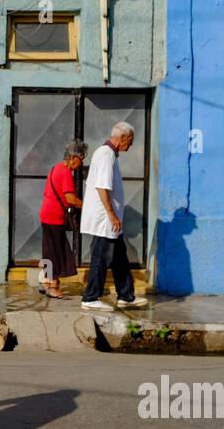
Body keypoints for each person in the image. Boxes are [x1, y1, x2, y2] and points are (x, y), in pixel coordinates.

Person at [79, 122, 148, 310]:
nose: (131, 145)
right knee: (101, 257)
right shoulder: (105, 154)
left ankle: (126, 295)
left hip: (109, 220)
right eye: (130, 140)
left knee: (119, 257)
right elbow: (102, 186)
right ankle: (90, 298)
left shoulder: (108, 154)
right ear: (122, 137)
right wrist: (111, 214)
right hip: (105, 219)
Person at [37, 140, 86, 299]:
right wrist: (87, 206)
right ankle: (53, 285)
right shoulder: (65, 172)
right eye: (81, 159)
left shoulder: (55, 168)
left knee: (49, 250)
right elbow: (70, 199)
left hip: (46, 213)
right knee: (56, 251)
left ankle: (46, 282)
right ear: (73, 157)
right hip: (54, 216)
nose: (81, 164)